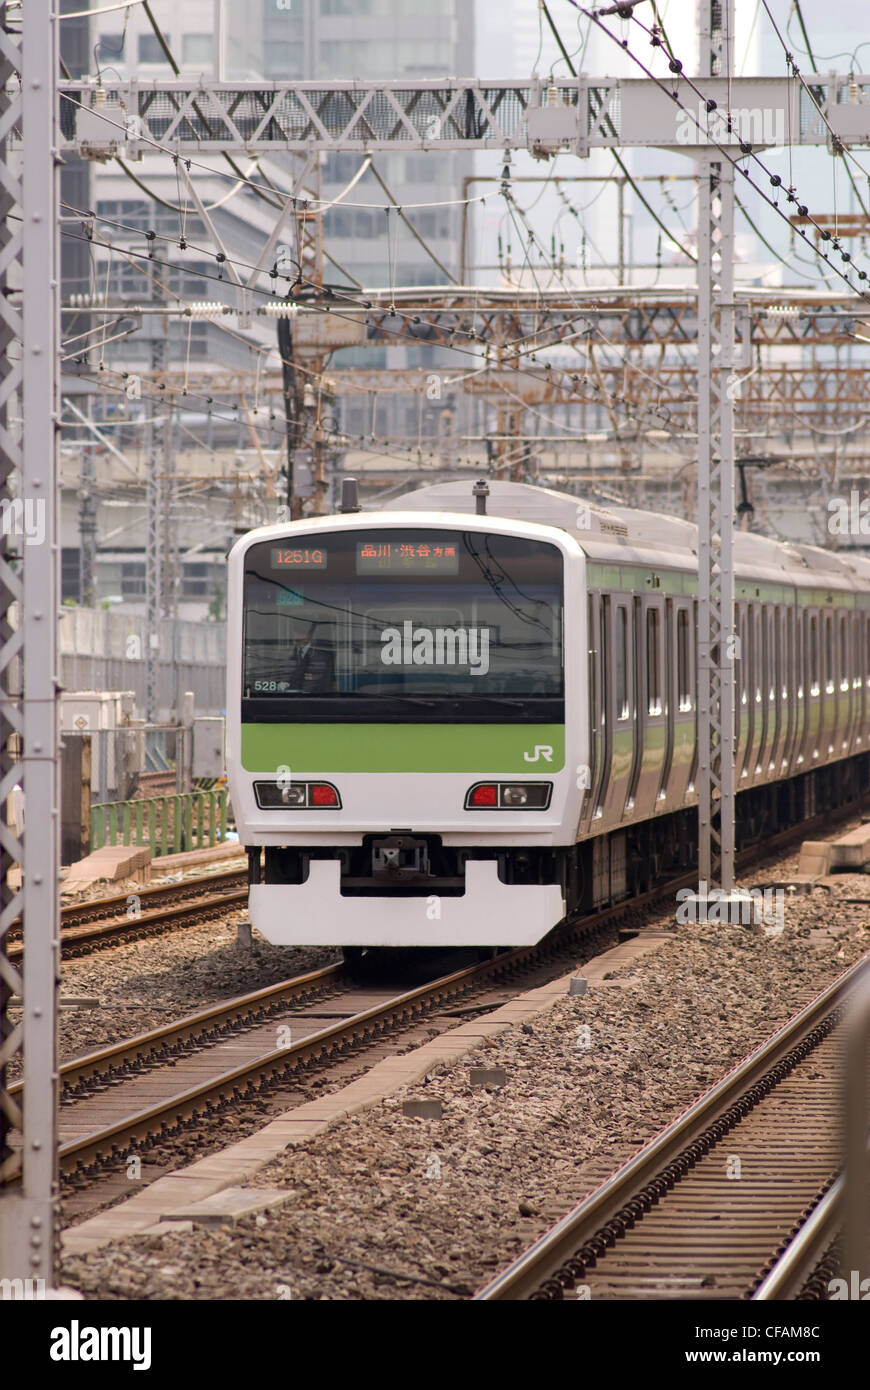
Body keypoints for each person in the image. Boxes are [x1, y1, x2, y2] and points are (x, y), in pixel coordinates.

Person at [286, 621, 335, 693]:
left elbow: (313, 684)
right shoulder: (291, 653)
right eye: (296, 631)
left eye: (302, 632)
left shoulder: (320, 657)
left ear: (310, 634)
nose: (298, 635)